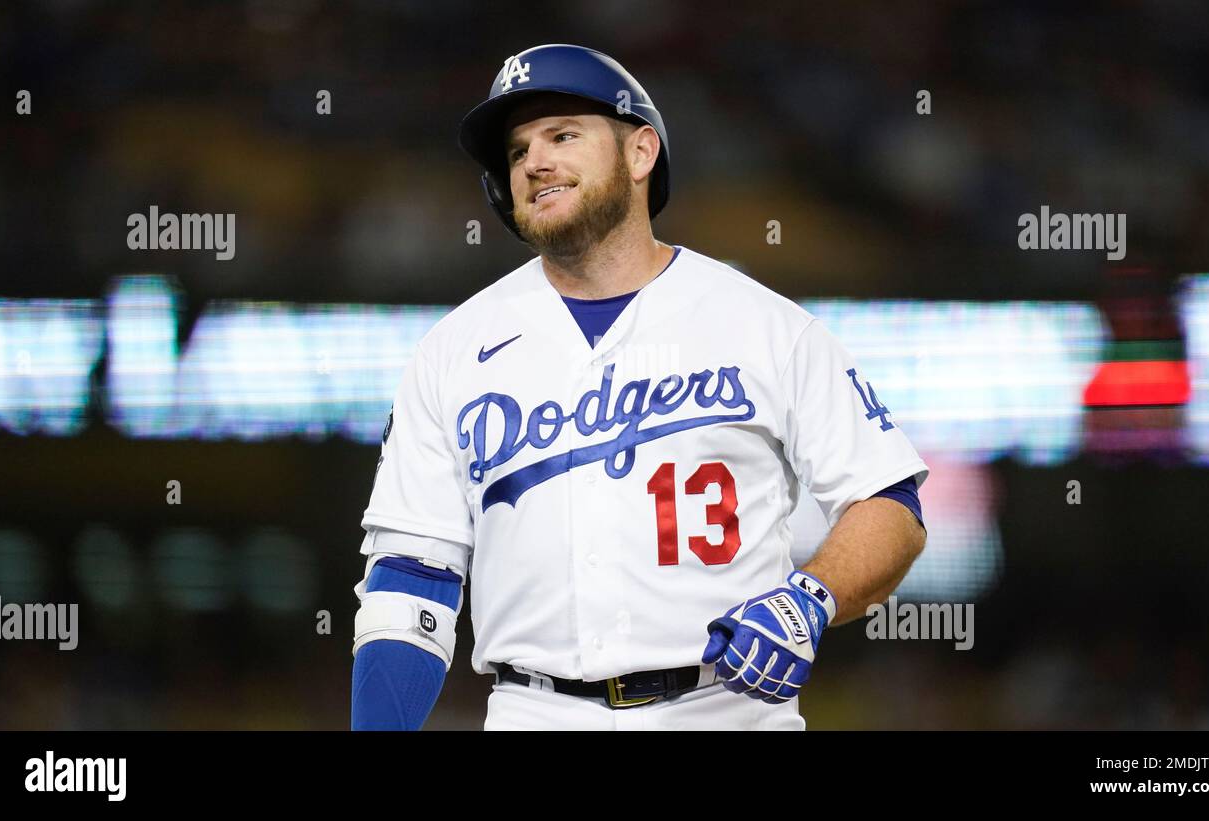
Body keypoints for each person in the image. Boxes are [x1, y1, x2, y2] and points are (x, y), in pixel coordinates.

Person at [350, 44, 928, 730]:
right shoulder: (451, 351)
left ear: (641, 153)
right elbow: (410, 580)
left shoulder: (764, 324)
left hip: (726, 709)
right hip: (533, 709)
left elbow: (889, 501)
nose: (534, 161)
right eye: (517, 150)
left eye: (563, 135)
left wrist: (812, 596)